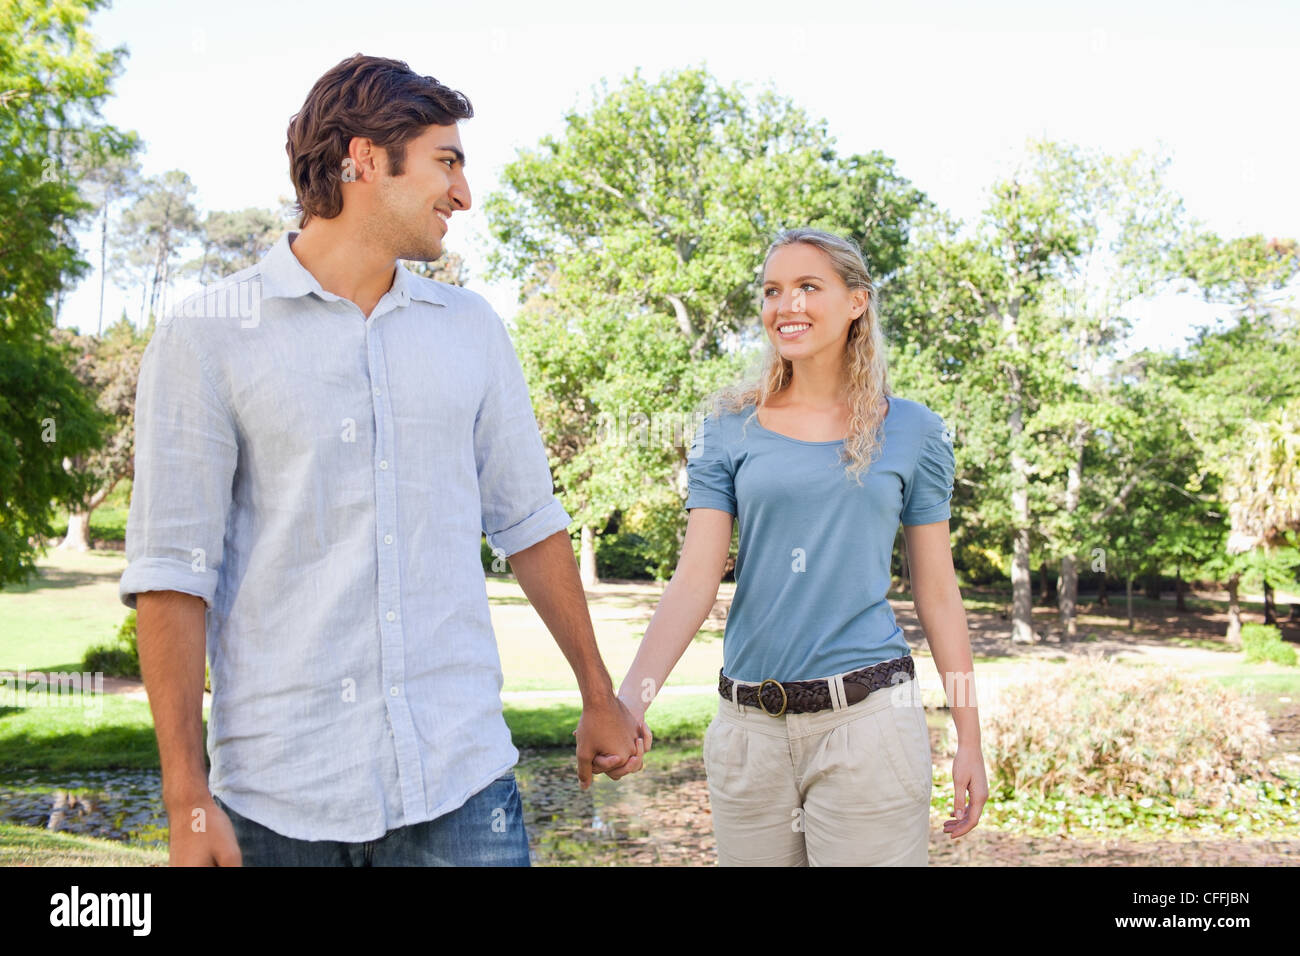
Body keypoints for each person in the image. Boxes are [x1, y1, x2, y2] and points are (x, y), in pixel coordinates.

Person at [120, 53, 645, 867]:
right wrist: (187, 797)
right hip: (277, 801)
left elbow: (529, 523)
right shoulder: (207, 335)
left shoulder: (470, 329)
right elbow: (171, 575)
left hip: (463, 788)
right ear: (363, 158)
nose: (463, 196)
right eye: (447, 162)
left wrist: (598, 694)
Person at [612, 228, 988, 866]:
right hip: (748, 731)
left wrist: (969, 736)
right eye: (772, 291)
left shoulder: (916, 432)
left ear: (857, 302)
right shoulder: (726, 427)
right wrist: (628, 702)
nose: (787, 306)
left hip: (868, 725)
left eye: (809, 287)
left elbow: (939, 595)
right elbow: (695, 581)